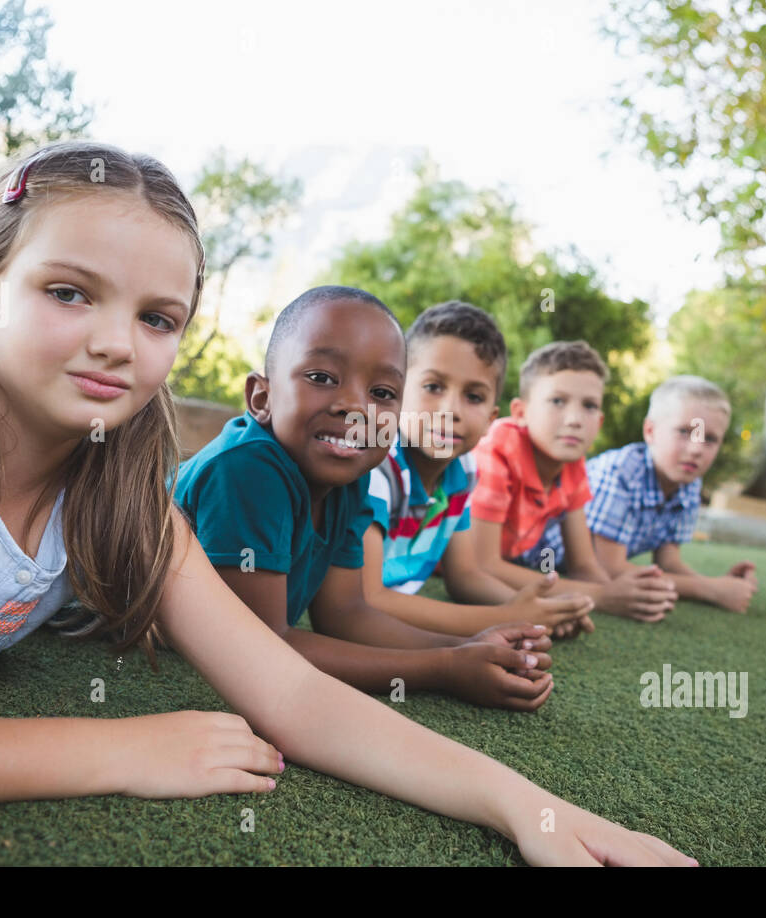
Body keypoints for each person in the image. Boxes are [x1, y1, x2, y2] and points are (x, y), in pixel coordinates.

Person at [0, 141, 693, 865]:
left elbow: (287, 691)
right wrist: (115, 752)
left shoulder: (114, 490)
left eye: (157, 318)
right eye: (70, 292)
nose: (118, 343)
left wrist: (525, 807)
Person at [173, 287, 556, 712]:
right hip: (92, 618)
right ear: (261, 398)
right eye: (322, 378)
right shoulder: (248, 469)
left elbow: (347, 613)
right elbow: (261, 647)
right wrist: (444, 668)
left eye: (382, 393)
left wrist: (466, 647)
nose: (356, 408)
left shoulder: (352, 476)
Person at [360, 301, 594, 638]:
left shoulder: (464, 470)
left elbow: (464, 575)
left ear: (490, 419)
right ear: (396, 391)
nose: (450, 410)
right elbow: (368, 600)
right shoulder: (376, 465)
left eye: (473, 396)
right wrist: (509, 619)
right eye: (433, 386)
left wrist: (534, 609)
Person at [469, 341, 681, 624]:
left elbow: (583, 565)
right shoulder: (497, 449)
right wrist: (602, 596)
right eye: (557, 401)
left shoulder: (573, 463)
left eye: (589, 406)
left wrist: (628, 593)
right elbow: (483, 565)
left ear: (600, 421)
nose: (575, 420)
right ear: (520, 413)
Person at [536, 375, 758, 613]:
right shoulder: (622, 471)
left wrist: (720, 584)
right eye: (684, 432)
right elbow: (610, 568)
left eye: (709, 438)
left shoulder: (689, 484)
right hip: (540, 563)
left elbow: (668, 561)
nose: (696, 449)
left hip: (576, 575)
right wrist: (709, 589)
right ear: (650, 431)